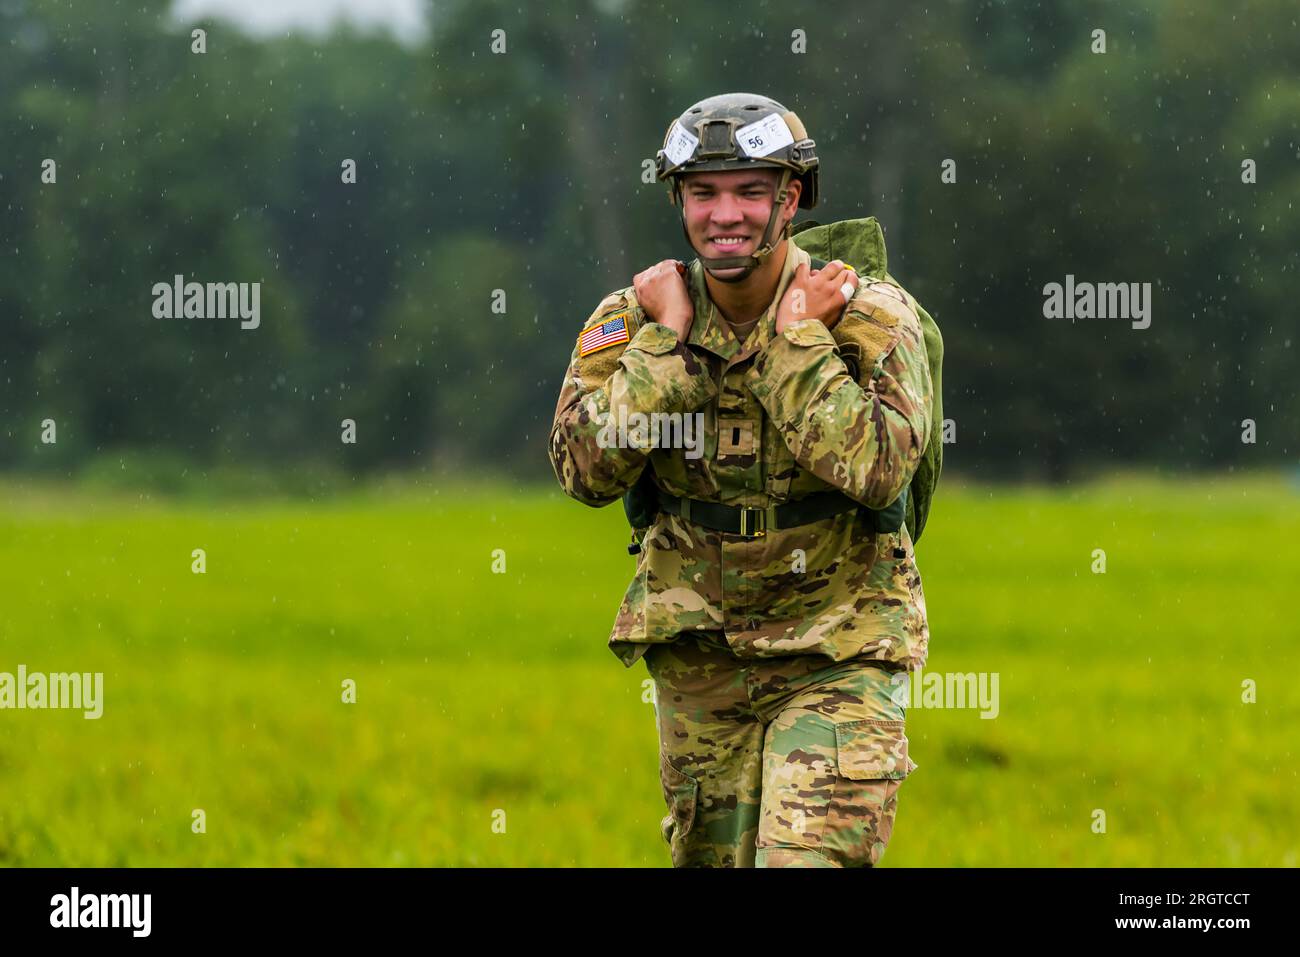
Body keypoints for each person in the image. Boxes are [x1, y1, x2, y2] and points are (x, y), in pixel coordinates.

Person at [547, 92, 934, 867]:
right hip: (701, 665)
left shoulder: (869, 318)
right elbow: (583, 468)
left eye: (750, 192)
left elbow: (882, 466)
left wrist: (796, 345)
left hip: (840, 648)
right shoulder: (637, 319)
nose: (726, 214)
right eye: (704, 192)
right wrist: (667, 349)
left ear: (789, 200)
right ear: (679, 200)